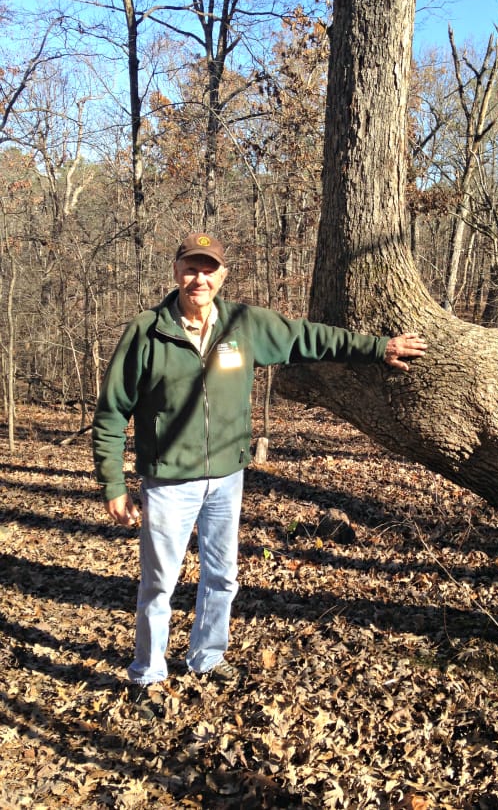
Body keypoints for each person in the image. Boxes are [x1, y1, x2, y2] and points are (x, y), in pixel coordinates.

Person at [92, 232, 427, 705]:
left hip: (227, 477)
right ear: (176, 271)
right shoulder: (147, 332)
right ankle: (148, 673)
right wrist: (112, 483)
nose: (199, 278)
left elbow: (310, 337)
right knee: (159, 584)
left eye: (209, 269)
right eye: (191, 267)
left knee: (222, 576)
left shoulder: (243, 326)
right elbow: (110, 413)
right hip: (168, 482)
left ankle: (207, 657)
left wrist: (379, 348)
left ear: (223, 275)